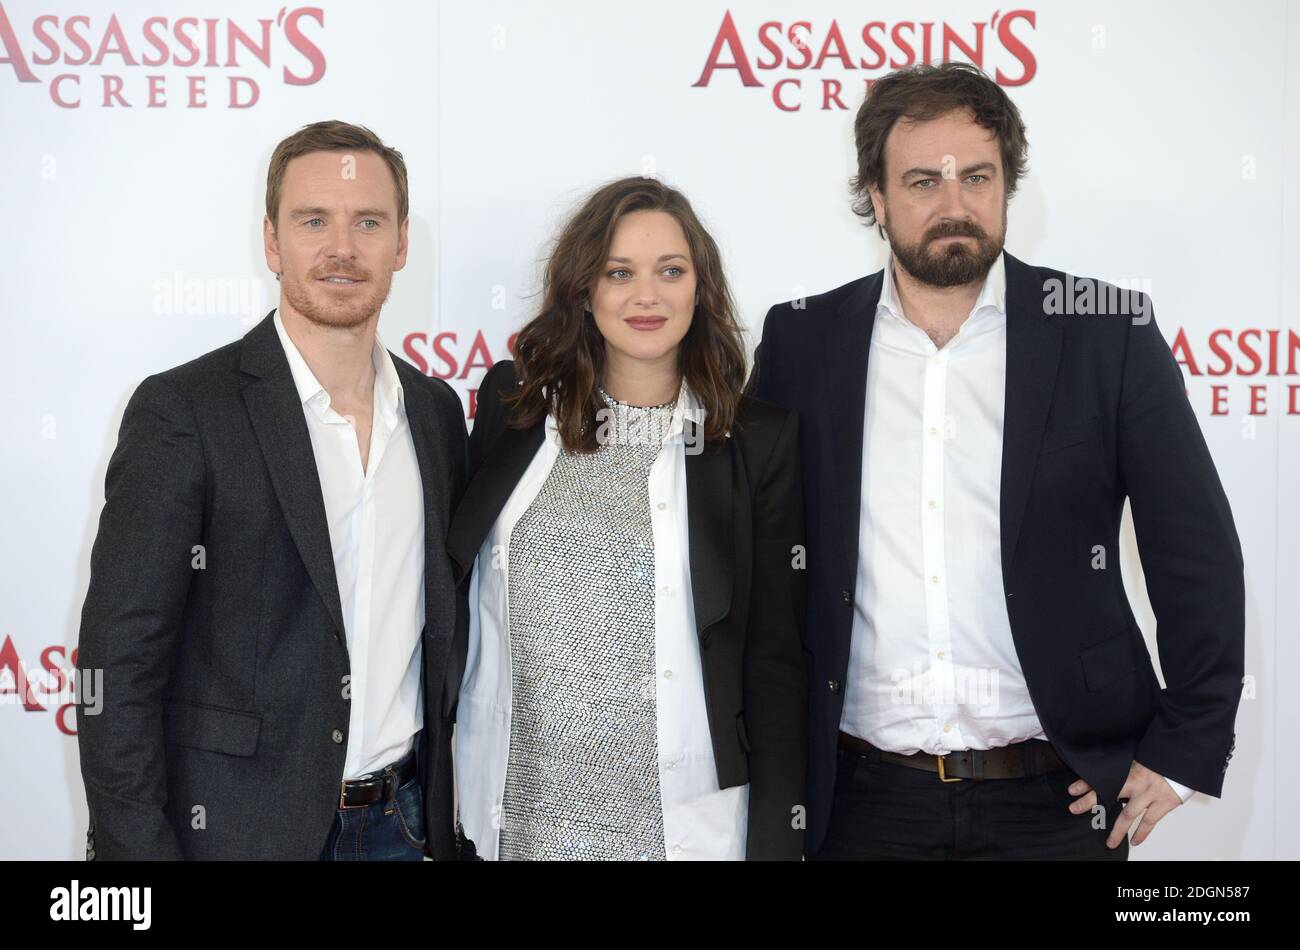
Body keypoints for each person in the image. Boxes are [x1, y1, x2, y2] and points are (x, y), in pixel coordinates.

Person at [749, 62, 1244, 860]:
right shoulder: (803, 343)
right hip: (860, 804)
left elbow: (1196, 554)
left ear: (1007, 184)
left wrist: (1186, 747)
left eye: (976, 177)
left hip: (1059, 805)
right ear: (875, 199)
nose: (954, 206)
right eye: (921, 182)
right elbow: (761, 565)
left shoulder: (1105, 334)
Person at [75, 120, 468, 860]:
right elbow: (116, 664)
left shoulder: (436, 413)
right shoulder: (186, 410)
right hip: (234, 835)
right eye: (313, 220)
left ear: (402, 244)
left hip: (409, 825)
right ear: (271, 242)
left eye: (368, 222)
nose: (342, 247)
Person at [449, 176, 806, 860]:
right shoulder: (512, 409)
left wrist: (776, 842)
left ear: (699, 290)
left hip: (680, 828)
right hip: (520, 820)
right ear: (585, 291)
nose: (647, 295)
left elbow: (776, 660)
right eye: (620, 272)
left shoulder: (755, 442)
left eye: (671, 271)